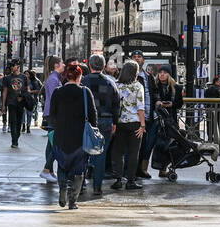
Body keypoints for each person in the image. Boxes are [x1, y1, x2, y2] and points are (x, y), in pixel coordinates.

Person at [48, 62, 98, 210]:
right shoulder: (85, 92)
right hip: (80, 138)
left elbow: (52, 114)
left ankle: (62, 191)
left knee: (62, 166)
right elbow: (93, 115)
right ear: (79, 76)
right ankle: (73, 201)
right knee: (78, 170)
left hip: (61, 136)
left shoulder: (58, 92)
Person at [82, 54, 121, 198]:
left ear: (90, 66)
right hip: (106, 120)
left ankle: (81, 184)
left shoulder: (83, 82)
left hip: (86, 121)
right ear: (103, 66)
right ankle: (97, 187)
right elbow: (117, 105)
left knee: (84, 152)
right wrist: (115, 123)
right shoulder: (110, 82)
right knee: (101, 155)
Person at [111, 60, 147, 190]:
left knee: (118, 151)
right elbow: (140, 107)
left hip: (120, 122)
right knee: (133, 152)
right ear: (135, 72)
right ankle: (131, 181)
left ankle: (118, 179)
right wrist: (143, 125)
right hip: (135, 123)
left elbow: (114, 105)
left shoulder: (116, 85)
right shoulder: (138, 86)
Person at [132, 52, 158, 179]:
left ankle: (139, 170)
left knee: (143, 146)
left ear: (143, 60)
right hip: (134, 117)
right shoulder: (128, 75)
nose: (137, 59)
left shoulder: (148, 77)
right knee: (133, 146)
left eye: (139, 57)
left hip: (147, 116)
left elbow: (154, 92)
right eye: (134, 57)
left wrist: (157, 101)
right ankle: (131, 171)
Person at [40, 56, 64, 182]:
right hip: (53, 114)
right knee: (54, 142)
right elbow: (56, 98)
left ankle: (49, 171)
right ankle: (46, 169)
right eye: (62, 63)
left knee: (51, 143)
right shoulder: (54, 79)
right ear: (56, 65)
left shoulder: (53, 78)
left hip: (51, 113)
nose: (64, 65)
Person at [1, 60, 31, 148]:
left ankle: (16, 137)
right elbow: (5, 91)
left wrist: (23, 96)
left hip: (21, 103)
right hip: (11, 102)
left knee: (19, 122)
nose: (11, 68)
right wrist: (3, 105)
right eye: (10, 66)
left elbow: (28, 90)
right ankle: (14, 140)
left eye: (12, 66)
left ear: (17, 66)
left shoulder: (24, 77)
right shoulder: (7, 78)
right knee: (13, 121)